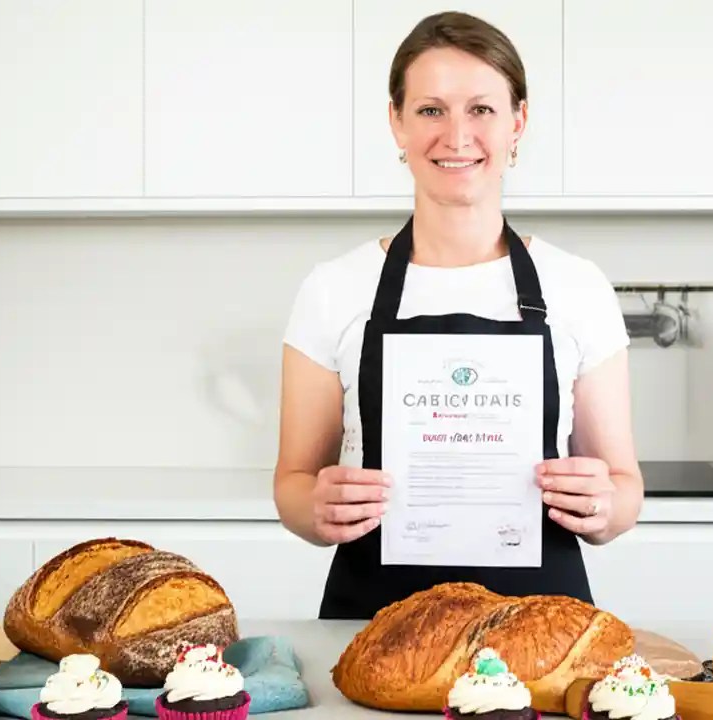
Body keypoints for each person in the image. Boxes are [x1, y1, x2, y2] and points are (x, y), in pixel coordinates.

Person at [273, 10, 644, 620]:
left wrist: (605, 509)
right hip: (374, 625)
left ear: (517, 122)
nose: (456, 134)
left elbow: (624, 486)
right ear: (396, 121)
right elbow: (292, 481)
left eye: (481, 109)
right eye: (430, 110)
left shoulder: (577, 287)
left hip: (541, 626)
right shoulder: (333, 289)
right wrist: (314, 510)